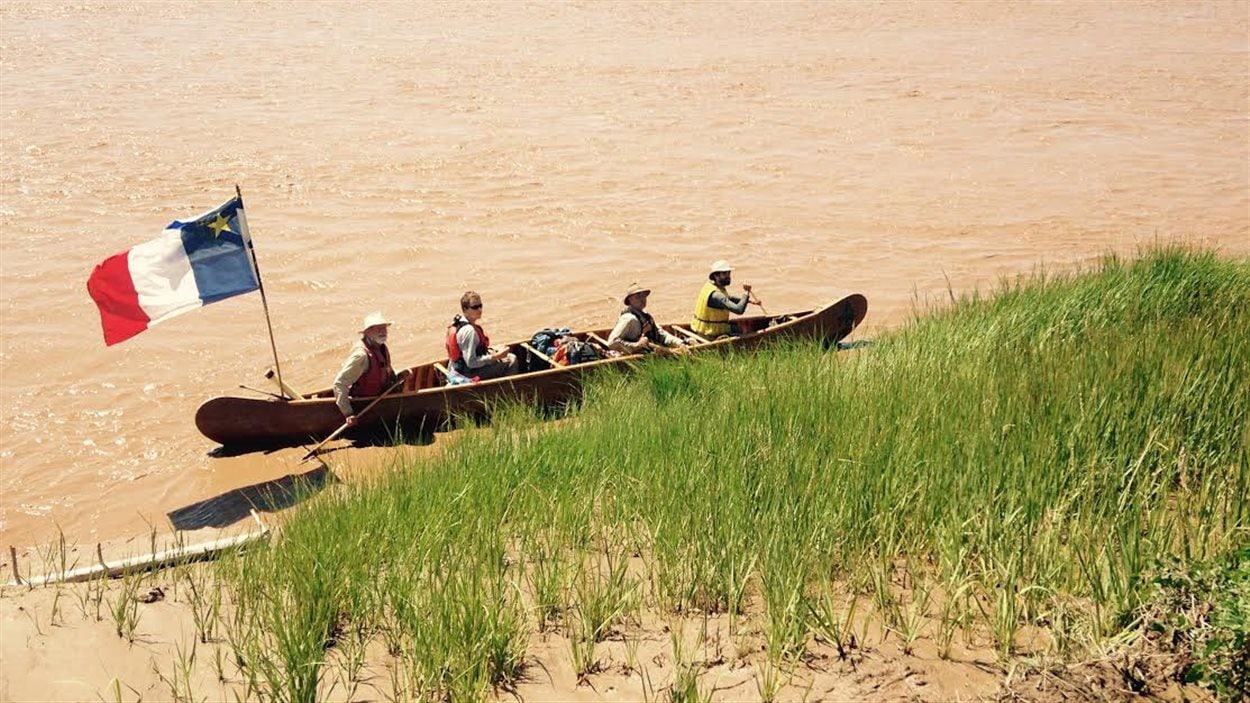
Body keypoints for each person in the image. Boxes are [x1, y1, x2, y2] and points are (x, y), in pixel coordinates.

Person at [333, 312, 407, 427]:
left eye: (384, 328)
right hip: (364, 403)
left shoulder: (380, 347)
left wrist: (400, 375)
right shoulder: (361, 356)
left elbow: (386, 374)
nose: (382, 331)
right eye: (377, 328)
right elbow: (339, 383)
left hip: (379, 396)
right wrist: (348, 413)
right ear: (367, 332)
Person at [446, 291, 518, 380]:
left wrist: (494, 351)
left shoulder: (458, 322)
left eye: (480, 306)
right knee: (512, 360)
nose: (479, 310)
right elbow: (471, 363)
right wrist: (496, 356)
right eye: (475, 307)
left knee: (503, 354)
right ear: (465, 309)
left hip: (457, 369)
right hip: (468, 374)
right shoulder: (469, 332)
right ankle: (505, 389)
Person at [607, 283, 689, 354]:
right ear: (630, 300)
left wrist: (679, 343)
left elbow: (661, 334)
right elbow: (611, 342)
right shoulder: (628, 319)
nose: (642, 299)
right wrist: (636, 345)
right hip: (631, 352)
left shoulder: (645, 316)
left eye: (643, 296)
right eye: (638, 296)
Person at [691, 260, 754, 339]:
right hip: (711, 331)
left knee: (739, 326)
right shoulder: (716, 295)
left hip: (704, 328)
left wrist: (749, 301)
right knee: (744, 329)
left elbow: (727, 298)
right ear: (716, 276)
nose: (728, 276)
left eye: (729, 273)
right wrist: (746, 293)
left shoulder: (711, 286)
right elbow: (739, 310)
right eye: (724, 274)